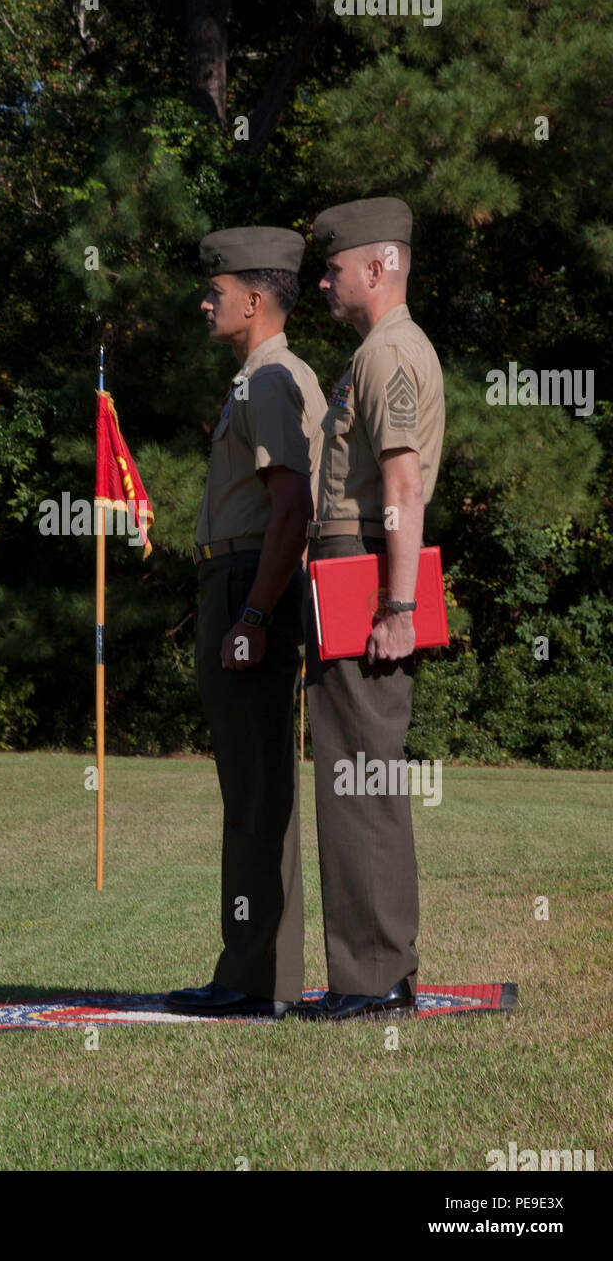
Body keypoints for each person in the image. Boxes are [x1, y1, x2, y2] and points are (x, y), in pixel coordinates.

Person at [167, 227, 327, 1019]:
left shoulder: (268, 379)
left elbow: (289, 507)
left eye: (218, 291)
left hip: (245, 581)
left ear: (254, 300)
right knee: (256, 787)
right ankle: (260, 971)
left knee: (255, 790)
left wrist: (255, 611)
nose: (206, 300)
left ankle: (251, 978)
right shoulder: (265, 376)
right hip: (237, 579)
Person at [299, 197, 445, 1021]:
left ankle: (375, 978)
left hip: (366, 576)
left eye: (334, 267)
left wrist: (397, 604)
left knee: (361, 780)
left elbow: (401, 483)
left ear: (379, 265)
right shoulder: (382, 349)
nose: (325, 281)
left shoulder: (388, 352)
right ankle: (375, 972)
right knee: (358, 776)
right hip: (354, 573)